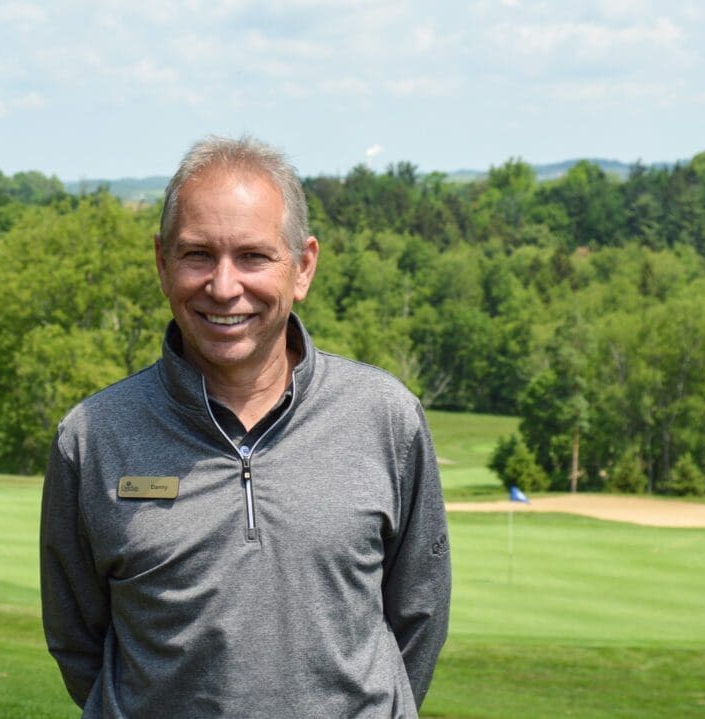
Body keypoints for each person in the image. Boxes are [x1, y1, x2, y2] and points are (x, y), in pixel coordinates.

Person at [40, 135, 451, 718]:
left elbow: (419, 617)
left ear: (303, 267)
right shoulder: (91, 437)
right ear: (161, 263)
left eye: (253, 256)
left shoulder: (385, 418)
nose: (224, 286)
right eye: (197, 254)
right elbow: (77, 641)